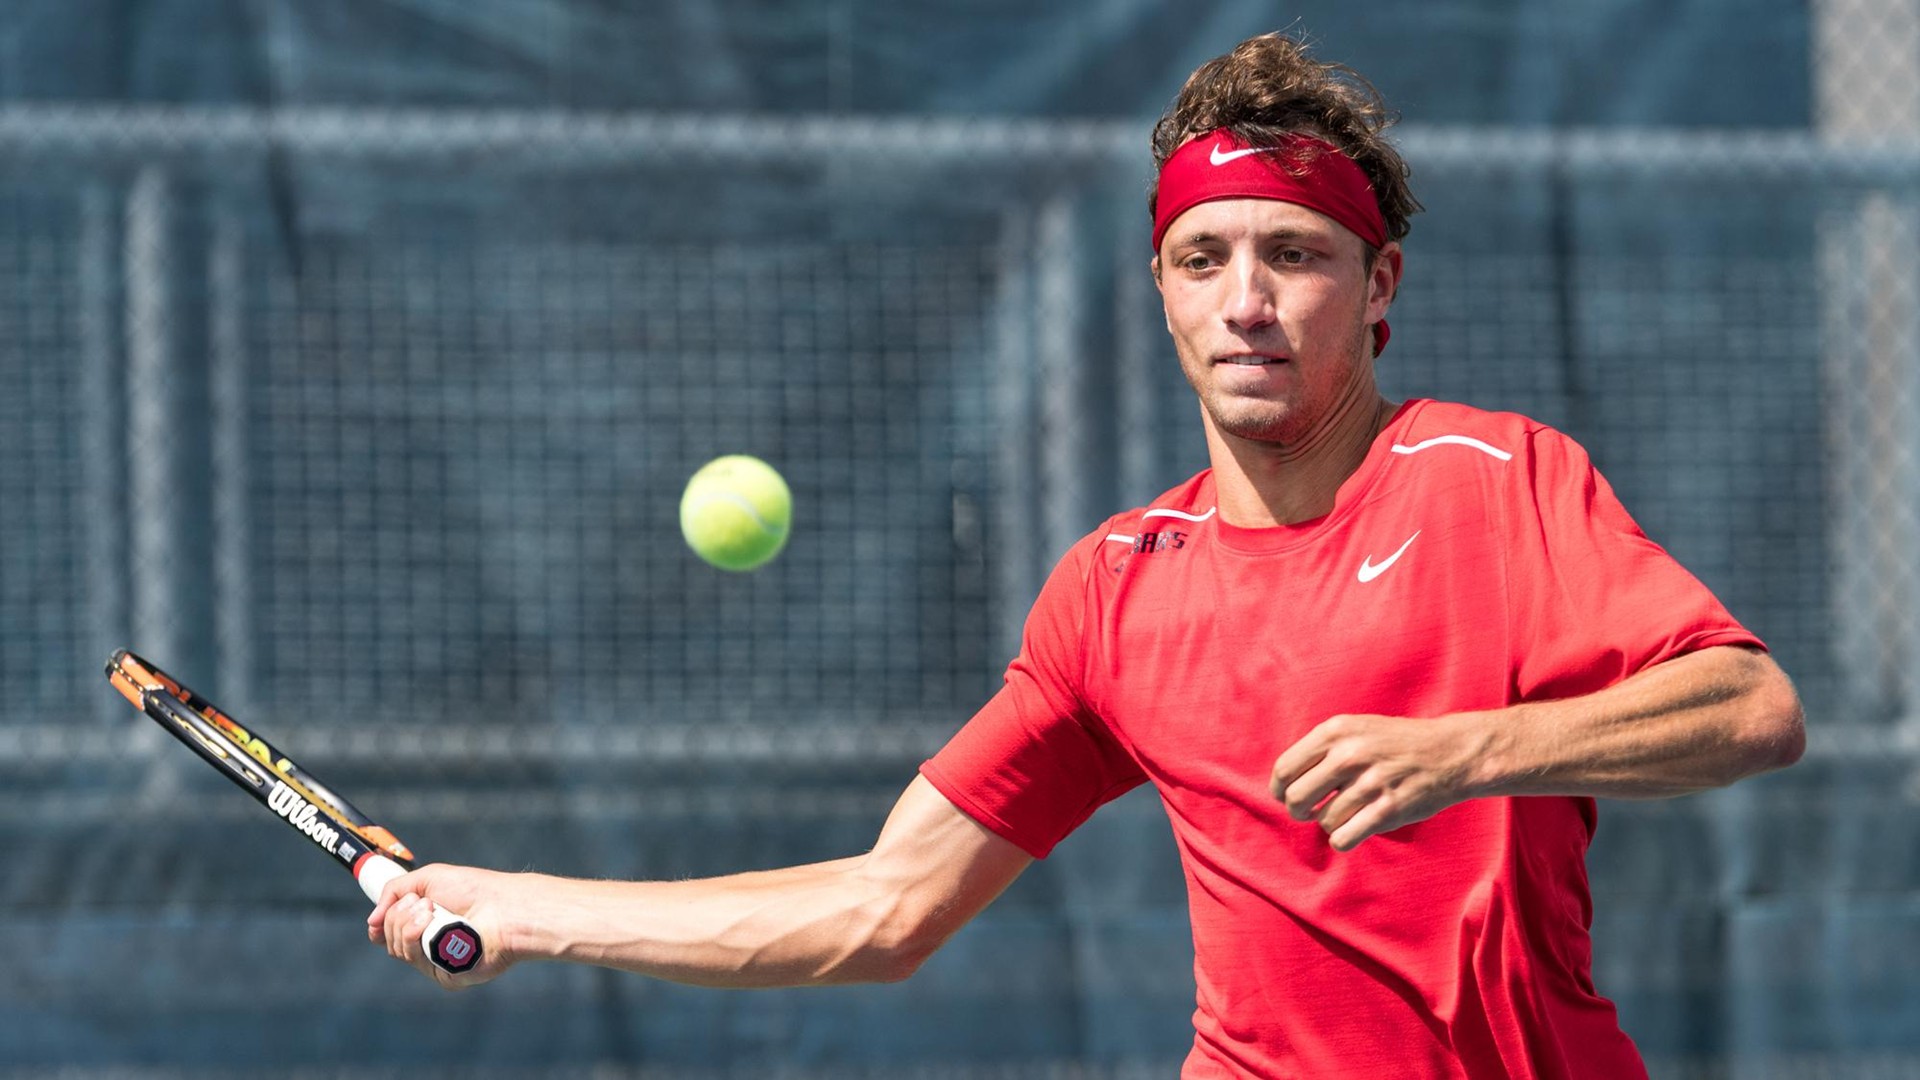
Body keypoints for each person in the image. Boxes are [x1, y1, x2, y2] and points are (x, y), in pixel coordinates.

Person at [369, 31, 1805, 1079]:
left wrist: (1472, 750)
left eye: (1296, 256)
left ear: (1379, 290)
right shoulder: (1119, 587)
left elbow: (1751, 709)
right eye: (1205, 259)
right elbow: (887, 906)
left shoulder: (1494, 477)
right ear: (1163, 296)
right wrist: (530, 909)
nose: (1248, 300)